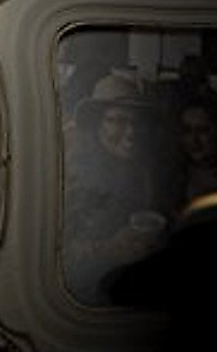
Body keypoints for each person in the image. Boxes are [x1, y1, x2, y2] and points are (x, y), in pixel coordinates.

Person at [62, 73, 168, 304]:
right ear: (97, 124)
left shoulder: (143, 168)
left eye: (138, 122)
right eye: (117, 120)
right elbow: (50, 251)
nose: (131, 132)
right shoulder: (74, 174)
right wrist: (108, 249)